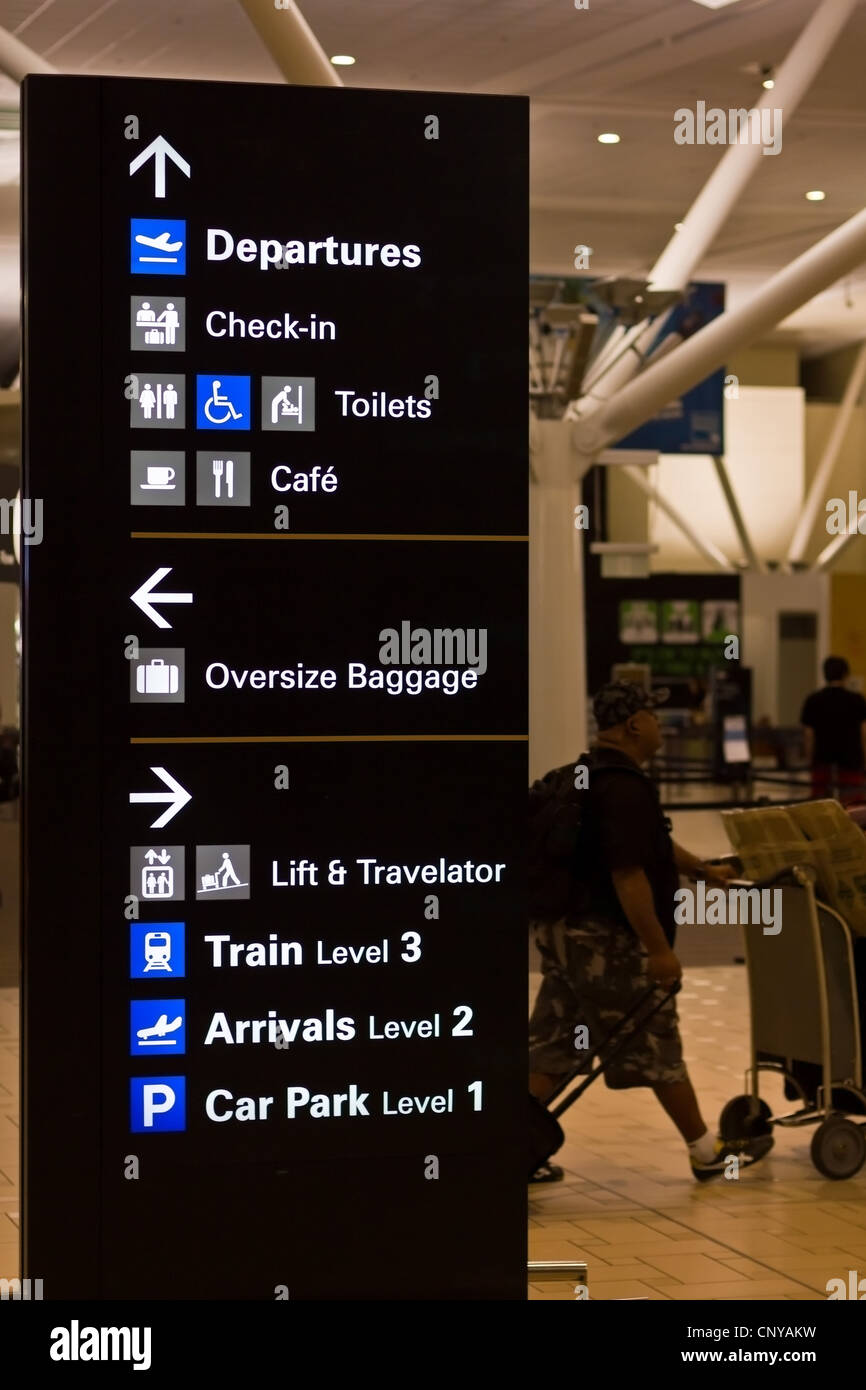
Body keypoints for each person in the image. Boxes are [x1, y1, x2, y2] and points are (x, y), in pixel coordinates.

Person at [529, 680, 774, 1183]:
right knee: (657, 1039)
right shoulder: (624, 787)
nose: (661, 725)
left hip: (562, 934)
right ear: (634, 724)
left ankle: (509, 1147)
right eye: (655, 717)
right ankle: (708, 1153)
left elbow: (652, 846)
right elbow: (628, 874)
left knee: (554, 1043)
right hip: (605, 942)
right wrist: (659, 951)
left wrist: (703, 870)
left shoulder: (583, 774)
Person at [800, 656, 866, 805]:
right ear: (846, 674)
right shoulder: (856, 699)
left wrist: (810, 759)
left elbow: (808, 735)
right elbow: (864, 733)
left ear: (824, 674)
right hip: (851, 760)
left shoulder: (813, 700)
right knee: (854, 806)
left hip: (822, 758)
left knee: (819, 806)